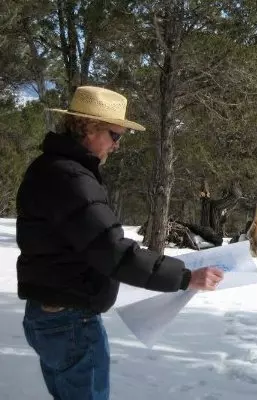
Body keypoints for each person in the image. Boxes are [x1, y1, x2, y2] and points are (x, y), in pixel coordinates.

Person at [16, 86, 224, 400]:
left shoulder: (47, 168)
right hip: (70, 321)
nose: (116, 146)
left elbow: (83, 246)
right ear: (88, 128)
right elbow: (111, 250)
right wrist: (185, 276)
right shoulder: (71, 179)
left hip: (50, 315)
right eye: (115, 135)